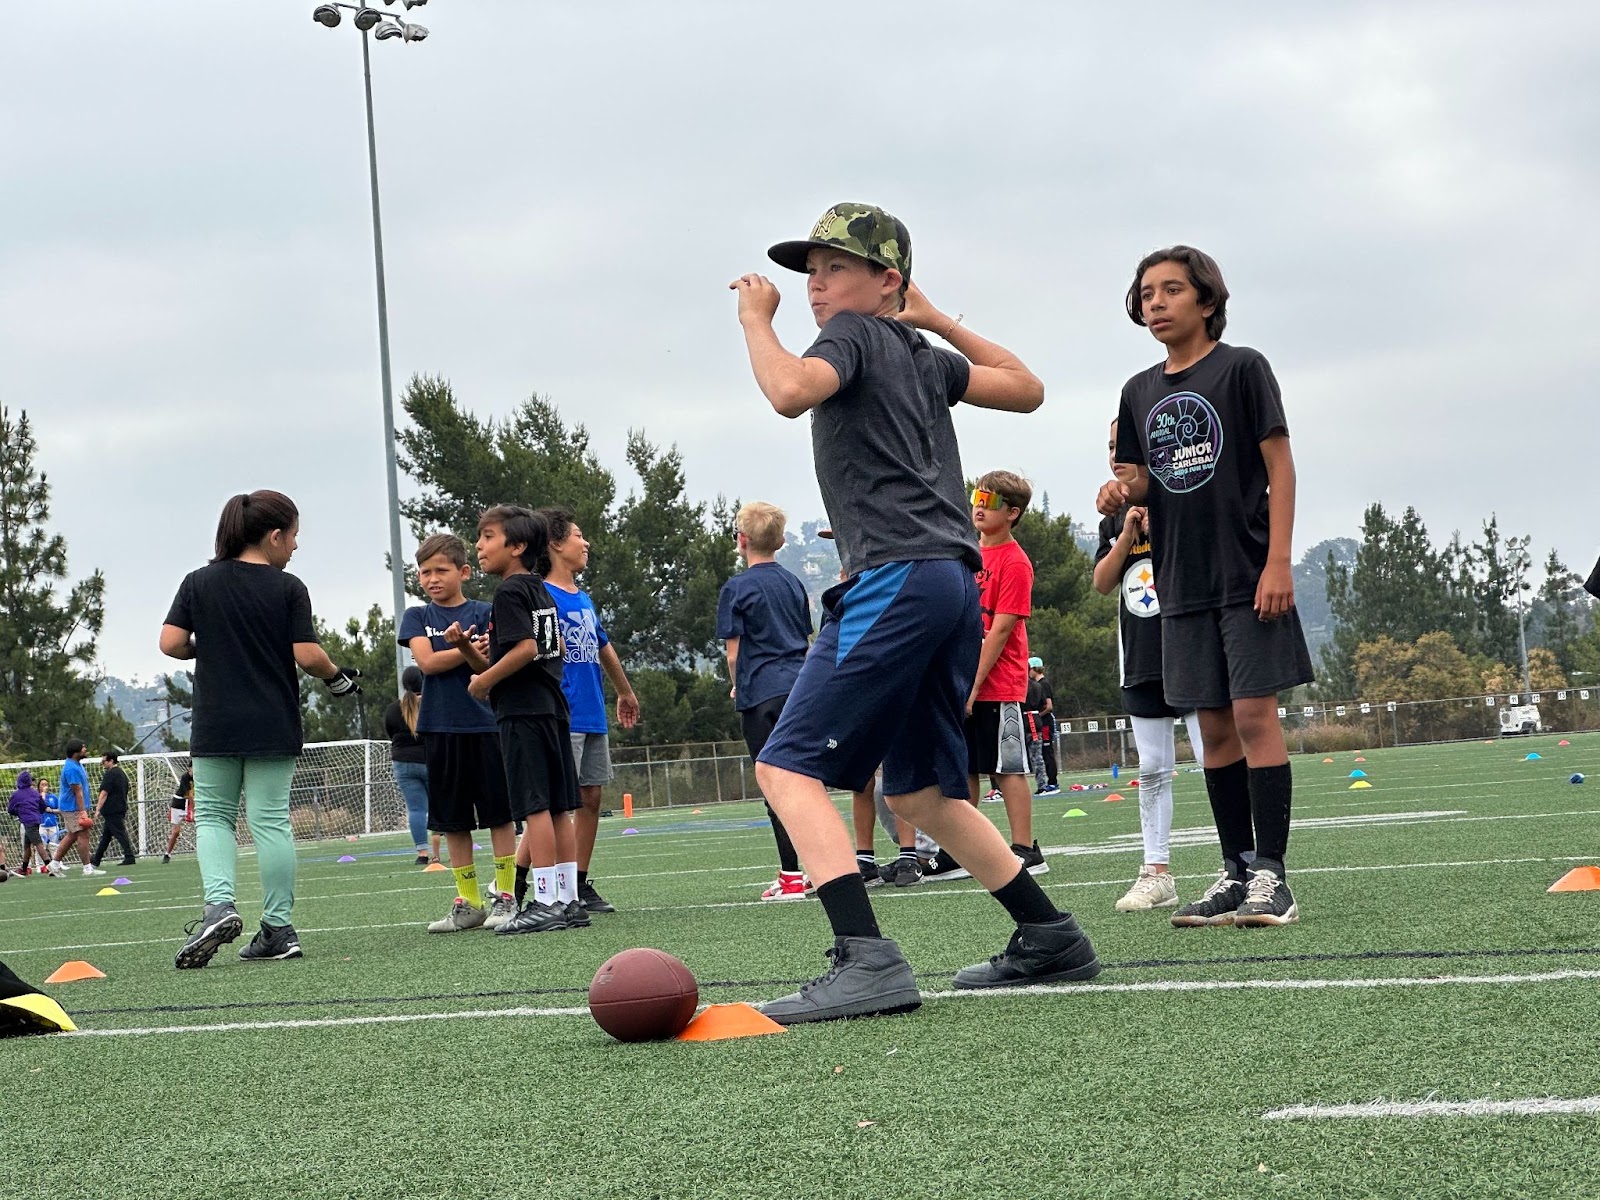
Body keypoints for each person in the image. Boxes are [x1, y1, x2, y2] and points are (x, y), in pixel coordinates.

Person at [729, 202, 1101, 1023]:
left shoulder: (855, 337)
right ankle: (1049, 935)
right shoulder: (920, 354)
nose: (814, 286)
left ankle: (865, 958)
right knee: (926, 795)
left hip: (896, 582)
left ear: (885, 280)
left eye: (833, 268)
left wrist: (757, 321)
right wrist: (934, 322)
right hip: (947, 584)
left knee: (784, 768)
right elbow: (1027, 388)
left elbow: (790, 392)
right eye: (809, 271)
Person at [1098, 245, 1313, 929]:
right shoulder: (1137, 391)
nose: (1155, 302)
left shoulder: (1243, 368)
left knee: (1254, 718)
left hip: (1249, 574)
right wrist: (1119, 488)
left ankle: (1273, 877)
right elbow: (1140, 478)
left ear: (1208, 301)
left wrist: (1278, 562)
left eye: (1170, 290)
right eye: (1146, 292)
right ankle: (1234, 869)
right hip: (1180, 585)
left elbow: (1281, 468)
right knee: (1212, 731)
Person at [161, 489, 362, 968]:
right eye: (293, 537)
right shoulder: (288, 588)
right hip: (272, 719)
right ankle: (278, 928)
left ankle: (220, 906)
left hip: (216, 721)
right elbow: (308, 655)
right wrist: (337, 677)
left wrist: (205, 648)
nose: (295, 547)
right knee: (269, 821)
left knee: (213, 816)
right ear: (274, 536)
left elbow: (170, 643)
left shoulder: (198, 582)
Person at [448, 505, 584, 935]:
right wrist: (472, 653)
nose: (480, 546)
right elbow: (544, 648)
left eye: (488, 537)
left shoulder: (508, 593)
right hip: (550, 706)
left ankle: (543, 900)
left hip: (522, 711)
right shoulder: (540, 590)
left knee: (535, 805)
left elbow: (524, 649)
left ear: (518, 546)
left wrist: (483, 682)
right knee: (560, 806)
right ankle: (566, 899)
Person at [1093, 418, 1207, 912]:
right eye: (1112, 446)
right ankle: (1156, 872)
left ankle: (1240, 866)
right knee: (1154, 767)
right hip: (1141, 657)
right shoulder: (1115, 516)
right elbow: (1101, 583)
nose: (1118, 454)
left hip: (1194, 649)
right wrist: (1125, 534)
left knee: (1213, 759)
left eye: (1127, 446)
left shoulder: (1187, 497)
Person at [400, 534, 519, 932]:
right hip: (440, 729)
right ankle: (468, 902)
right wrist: (465, 647)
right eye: (425, 571)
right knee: (453, 821)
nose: (432, 578)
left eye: (441, 570)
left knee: (500, 816)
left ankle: (506, 896)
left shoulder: (487, 610)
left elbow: (489, 660)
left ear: (464, 572)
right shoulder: (416, 617)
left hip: (487, 725)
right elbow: (428, 662)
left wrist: (471, 649)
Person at [535, 506, 641, 914]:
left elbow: (602, 645)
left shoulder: (583, 597)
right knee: (558, 802)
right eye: (579, 535)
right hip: (564, 712)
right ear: (556, 544)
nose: (586, 543)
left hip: (593, 711)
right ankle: (522, 884)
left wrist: (624, 692)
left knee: (591, 797)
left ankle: (578, 882)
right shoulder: (544, 595)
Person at [716, 501, 813, 902]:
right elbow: (805, 641)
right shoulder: (793, 582)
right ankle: (822, 868)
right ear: (782, 541)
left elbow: (734, 652)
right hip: (799, 689)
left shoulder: (736, 588)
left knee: (775, 786)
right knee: (807, 783)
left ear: (741, 540)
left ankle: (792, 876)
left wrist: (737, 684)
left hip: (762, 694)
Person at [966, 469, 1047, 874]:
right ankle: (964, 847)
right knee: (963, 769)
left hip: (997, 685)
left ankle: (1025, 848)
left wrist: (973, 685)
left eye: (992, 501)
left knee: (1006, 767)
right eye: (979, 497)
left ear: (1013, 513)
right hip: (962, 680)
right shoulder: (966, 551)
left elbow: (1000, 632)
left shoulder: (1015, 562)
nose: (980, 506)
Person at [384, 666, 432, 866]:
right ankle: (443, 849)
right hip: (429, 760)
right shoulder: (431, 704)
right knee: (440, 805)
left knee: (416, 810)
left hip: (402, 762)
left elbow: (390, 732)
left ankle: (422, 853)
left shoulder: (393, 709)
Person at [45, 740, 100, 877]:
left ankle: (55, 863)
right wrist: (83, 812)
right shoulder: (71, 768)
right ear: (76, 752)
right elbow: (78, 791)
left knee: (72, 835)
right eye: (83, 748)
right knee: (83, 835)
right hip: (72, 807)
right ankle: (87, 868)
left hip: (75, 807)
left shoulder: (77, 765)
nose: (85, 749)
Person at [89, 750, 136, 868]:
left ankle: (129, 856)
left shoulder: (110, 774)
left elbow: (104, 793)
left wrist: (98, 809)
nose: (102, 764)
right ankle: (96, 859)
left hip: (112, 809)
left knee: (119, 833)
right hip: (120, 807)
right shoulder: (122, 774)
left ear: (111, 761)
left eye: (104, 761)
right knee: (106, 836)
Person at [1025, 658, 1060, 795]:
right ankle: (1048, 782)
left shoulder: (1040, 685)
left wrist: (1037, 716)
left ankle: (1050, 782)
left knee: (1045, 753)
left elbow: (1048, 706)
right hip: (1038, 722)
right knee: (1040, 754)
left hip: (1040, 723)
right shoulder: (1038, 684)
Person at [7, 771, 48, 877]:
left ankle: (50, 865)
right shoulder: (34, 792)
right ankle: (24, 869)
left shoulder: (16, 794)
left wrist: (20, 812)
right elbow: (43, 806)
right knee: (27, 845)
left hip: (27, 821)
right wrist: (36, 812)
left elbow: (10, 810)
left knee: (38, 844)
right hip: (36, 820)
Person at [163, 769, 194, 863]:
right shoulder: (185, 777)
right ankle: (167, 854)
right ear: (189, 769)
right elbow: (189, 795)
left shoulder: (201, 777)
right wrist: (193, 809)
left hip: (191, 803)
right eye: (193, 768)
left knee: (203, 826)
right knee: (176, 832)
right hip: (179, 803)